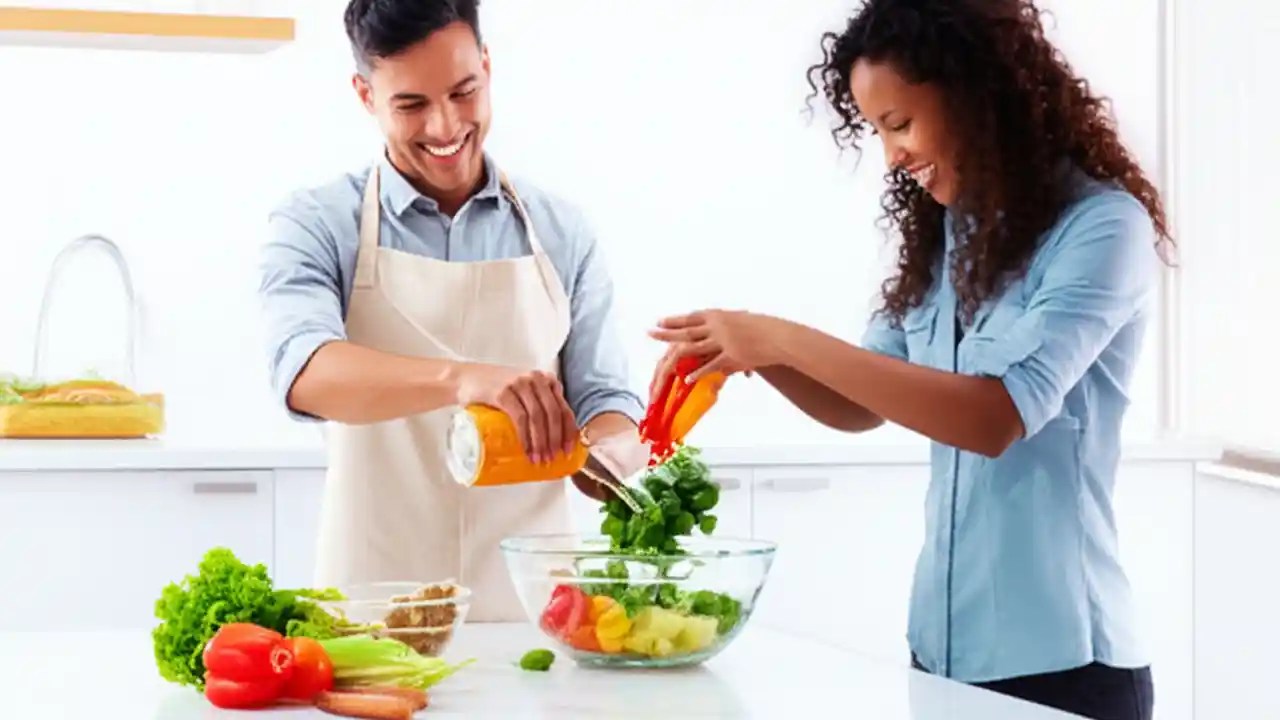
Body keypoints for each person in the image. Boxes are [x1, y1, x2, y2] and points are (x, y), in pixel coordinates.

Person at [648, 1, 1170, 718]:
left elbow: (994, 417)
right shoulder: (949, 235)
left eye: (899, 124)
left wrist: (775, 336)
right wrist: (741, 352)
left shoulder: (1103, 227)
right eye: (876, 130)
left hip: (1066, 668)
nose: (891, 155)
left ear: (976, 94)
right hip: (939, 654)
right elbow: (861, 402)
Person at [257, 0, 648, 622]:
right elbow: (305, 375)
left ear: (487, 68)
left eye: (464, 92)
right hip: (376, 604)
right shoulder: (317, 223)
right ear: (366, 95)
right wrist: (465, 378)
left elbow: (604, 398)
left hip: (540, 604)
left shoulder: (562, 230)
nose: (444, 127)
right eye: (410, 105)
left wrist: (612, 454)